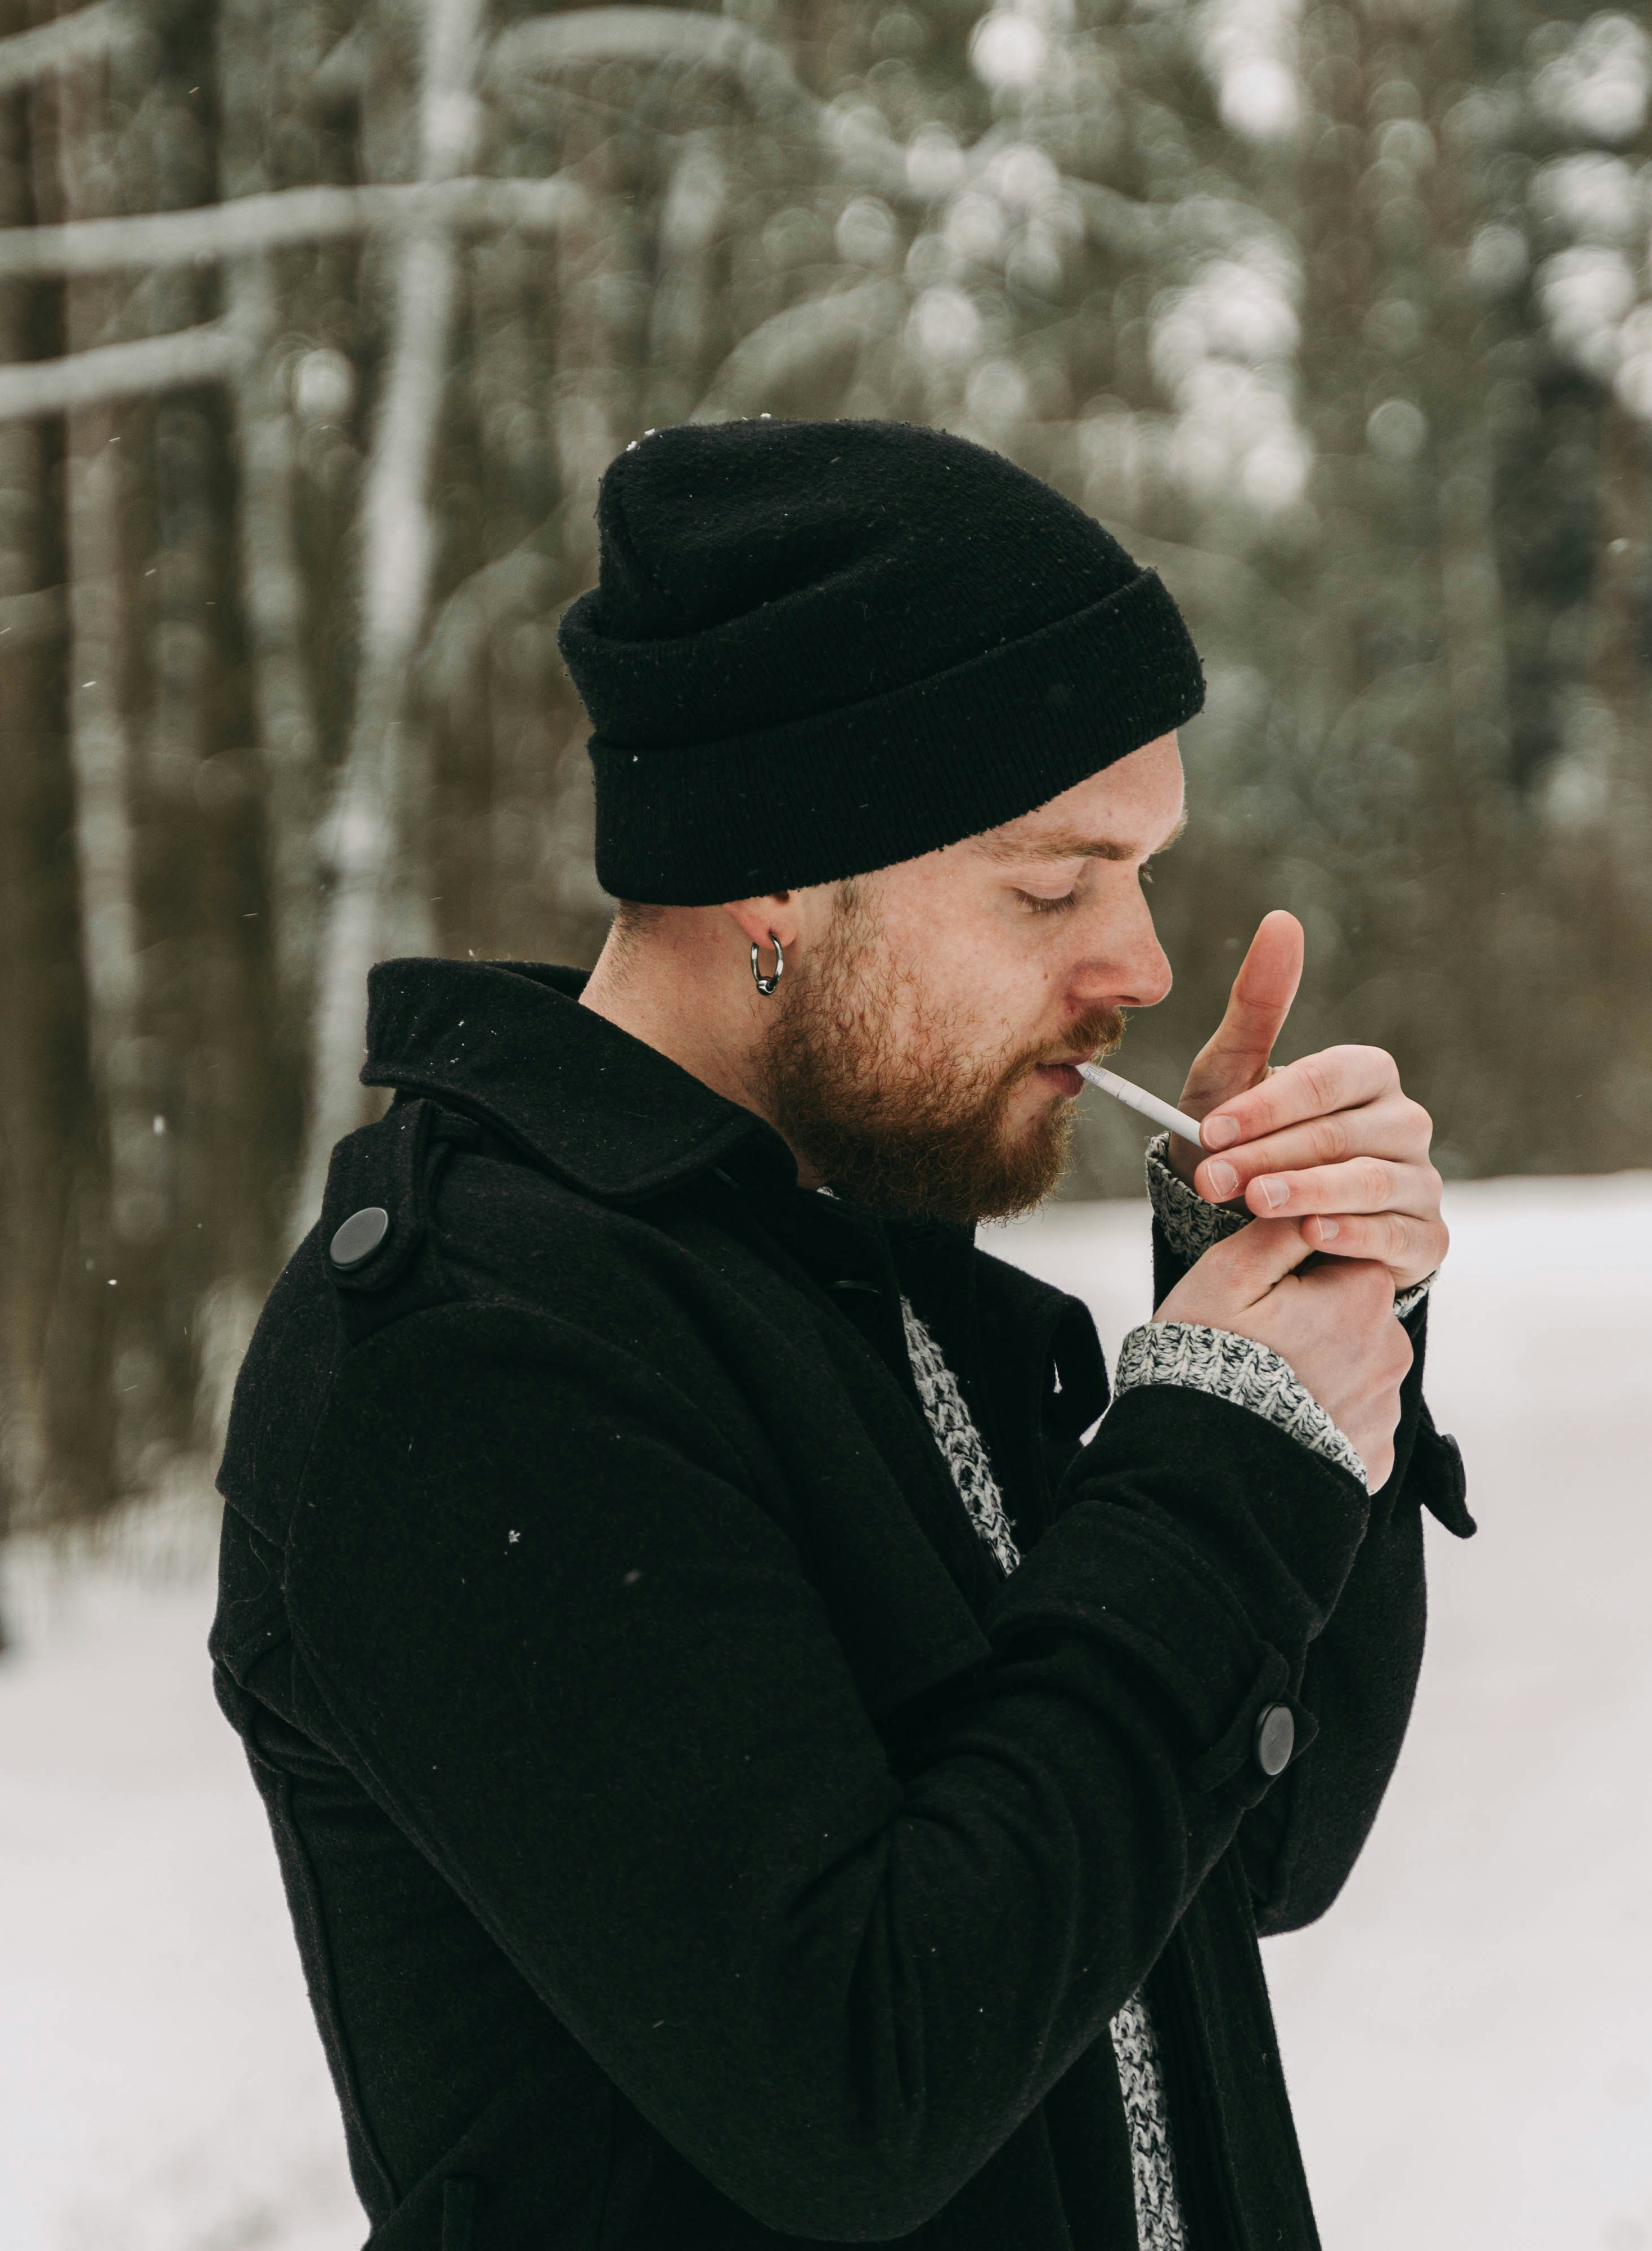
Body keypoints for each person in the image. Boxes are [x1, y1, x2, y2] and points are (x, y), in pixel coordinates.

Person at [210, 417, 1473, 2250]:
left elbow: (1258, 1843)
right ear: (775, 878)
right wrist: (1217, 1458)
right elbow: (863, 2084)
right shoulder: (473, 1357)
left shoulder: (875, 1266)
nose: (1138, 967)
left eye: (1142, 873)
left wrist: (1307, 1327)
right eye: (1052, 884)